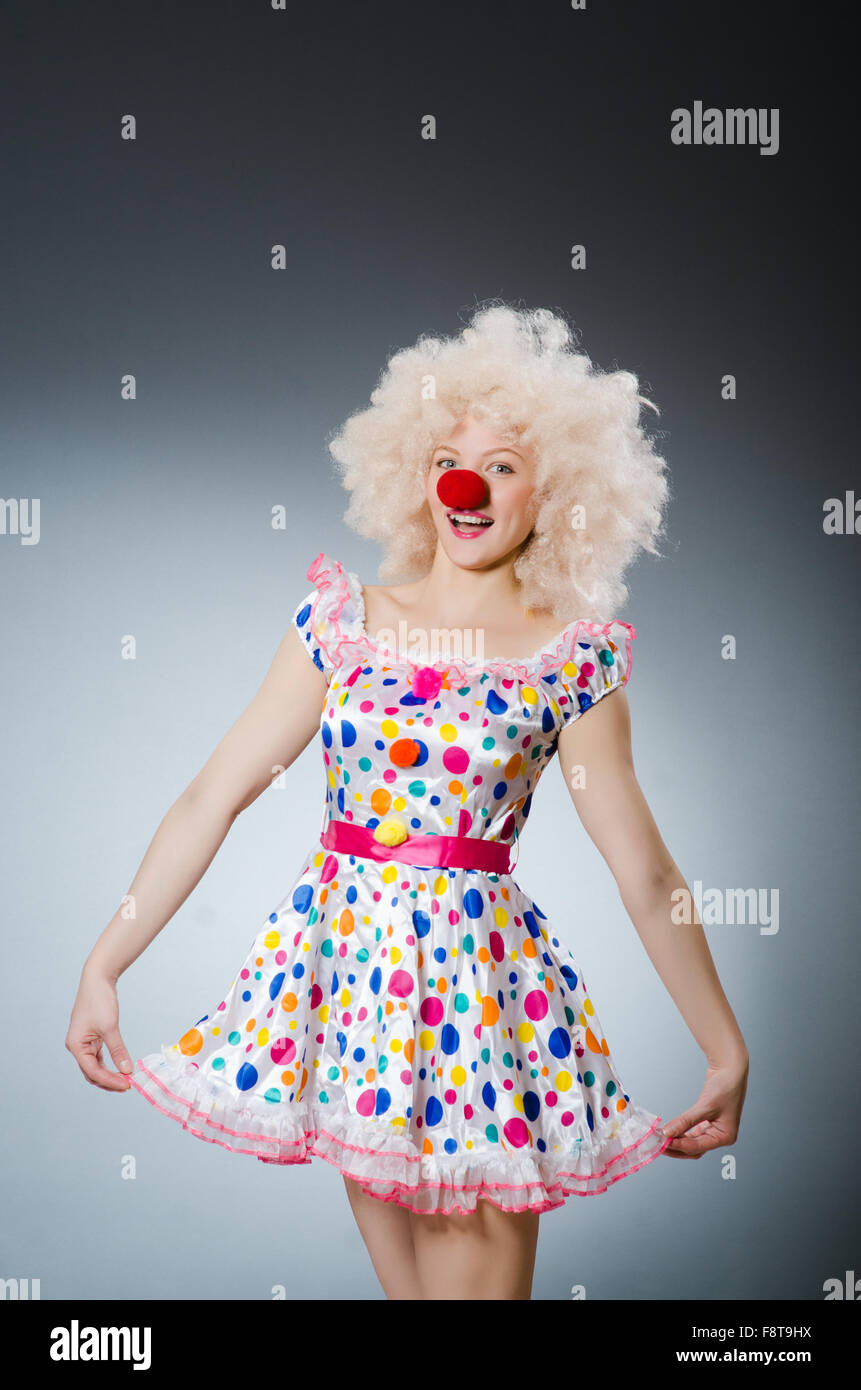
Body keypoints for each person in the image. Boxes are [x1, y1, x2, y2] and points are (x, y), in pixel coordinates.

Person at [66, 303, 749, 1301]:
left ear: (554, 491)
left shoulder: (570, 660)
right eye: (446, 460)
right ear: (416, 475)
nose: (466, 485)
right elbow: (214, 793)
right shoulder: (344, 623)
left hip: (476, 1006)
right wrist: (104, 961)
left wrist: (725, 1047)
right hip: (352, 1004)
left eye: (503, 464)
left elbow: (643, 870)